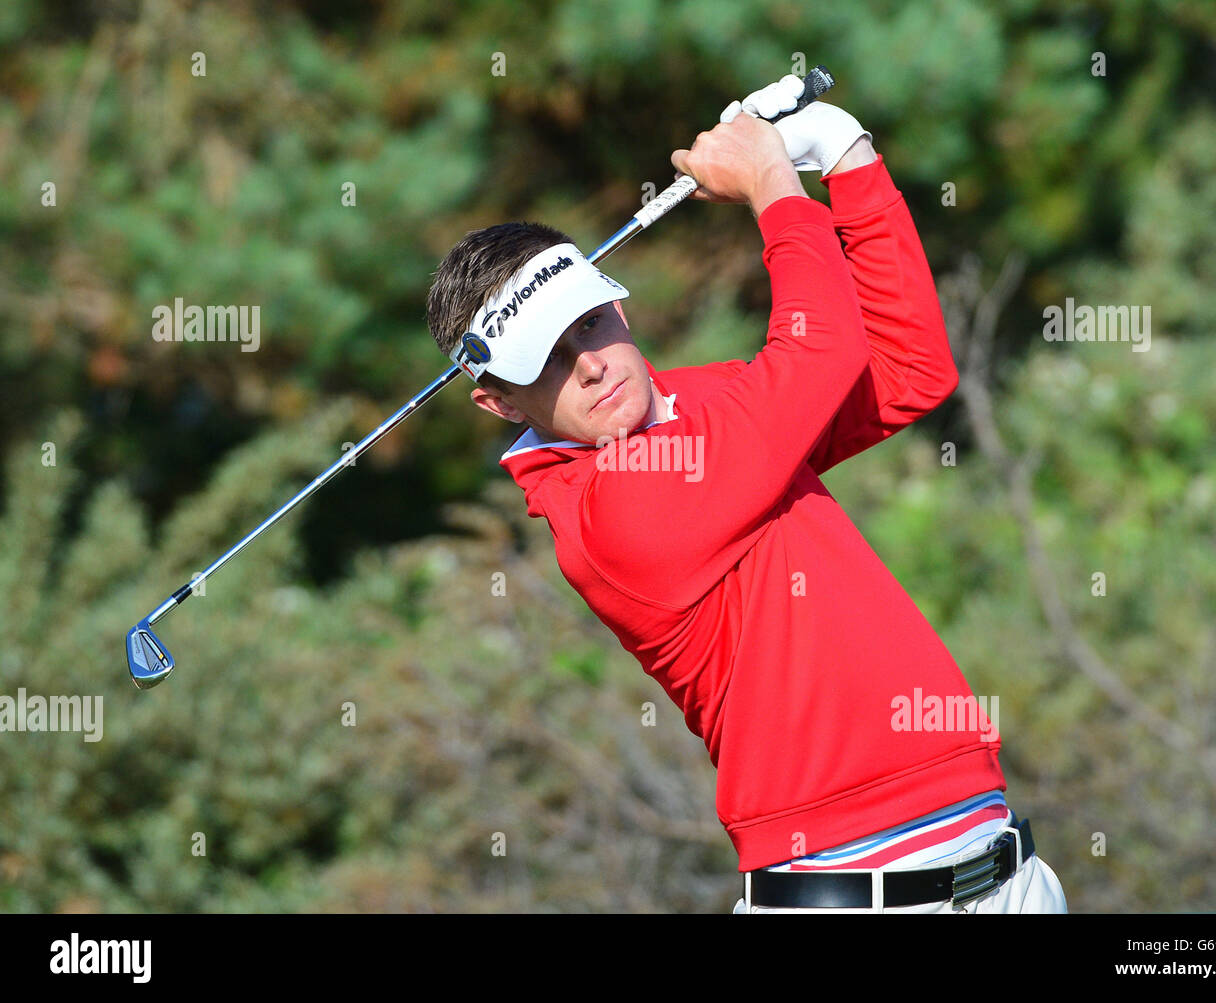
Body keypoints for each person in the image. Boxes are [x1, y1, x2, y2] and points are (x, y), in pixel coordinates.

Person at [424, 75, 1067, 914]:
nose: (588, 361)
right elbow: (820, 355)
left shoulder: (710, 399)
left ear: (616, 305)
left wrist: (845, 153)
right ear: (499, 401)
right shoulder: (613, 514)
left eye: (588, 322)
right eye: (545, 361)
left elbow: (908, 372)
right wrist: (773, 185)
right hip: (849, 891)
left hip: (1002, 866)